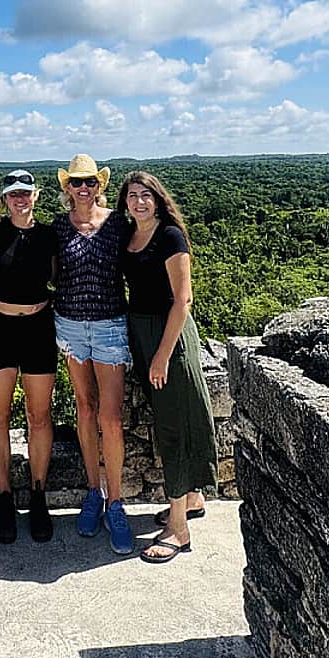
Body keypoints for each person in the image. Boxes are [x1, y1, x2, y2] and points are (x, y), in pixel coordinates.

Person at [117, 172, 219, 563]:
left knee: (173, 426)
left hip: (169, 334)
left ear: (158, 200)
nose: (139, 202)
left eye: (146, 195)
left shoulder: (170, 236)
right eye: (132, 195)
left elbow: (183, 300)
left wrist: (162, 354)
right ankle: (191, 498)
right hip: (141, 331)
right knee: (169, 416)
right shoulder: (129, 235)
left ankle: (178, 528)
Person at [53, 153, 135, 555]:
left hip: (108, 326)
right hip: (69, 325)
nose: (83, 189)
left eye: (89, 182)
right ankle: (93, 492)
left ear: (100, 186)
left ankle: (115, 501)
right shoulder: (57, 227)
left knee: (111, 416)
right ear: (67, 188)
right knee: (85, 408)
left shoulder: (119, 225)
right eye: (76, 183)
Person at [0, 170, 58, 544]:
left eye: (26, 193)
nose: (20, 199)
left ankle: (38, 494)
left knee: (39, 415)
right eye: (13, 194)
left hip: (39, 326)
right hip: (0, 327)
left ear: (36, 196)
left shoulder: (48, 234)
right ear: (4, 199)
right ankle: (5, 495)